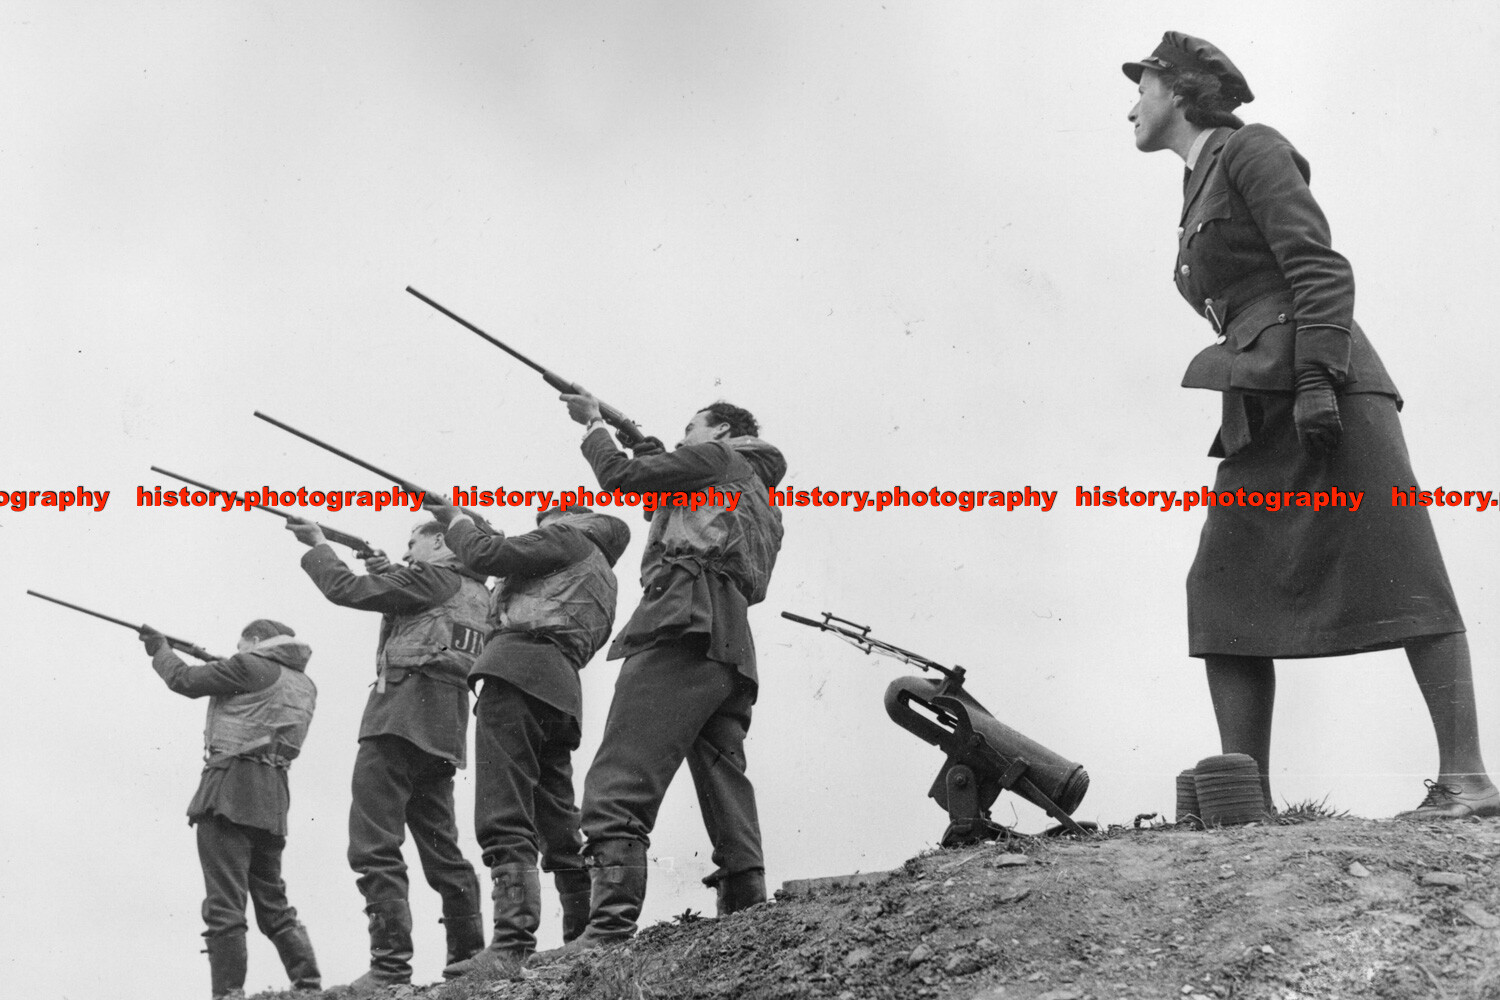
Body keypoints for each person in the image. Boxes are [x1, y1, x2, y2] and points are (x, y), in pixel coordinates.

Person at [1123, 31, 1497, 819]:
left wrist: (1320, 377)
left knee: (1404, 566)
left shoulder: (1251, 149)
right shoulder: (1195, 183)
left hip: (1325, 388)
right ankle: (1244, 801)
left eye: (1144, 85)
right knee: (1222, 583)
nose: (1133, 103)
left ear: (1183, 92)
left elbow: (1321, 267)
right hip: (1261, 398)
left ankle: (1466, 779)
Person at [546, 396, 786, 953]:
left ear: (721, 430)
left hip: (681, 618)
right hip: (730, 641)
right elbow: (674, 489)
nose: (684, 440)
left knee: (619, 775)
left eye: (691, 429)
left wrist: (596, 426)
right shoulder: (756, 485)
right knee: (722, 773)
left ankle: (607, 928)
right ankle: (746, 905)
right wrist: (649, 445)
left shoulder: (717, 457)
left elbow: (622, 479)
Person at [431, 502, 630, 978]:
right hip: (561, 684)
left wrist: (457, 522)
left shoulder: (563, 536)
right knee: (557, 816)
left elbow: (487, 555)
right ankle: (582, 933)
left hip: (516, 670)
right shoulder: (599, 564)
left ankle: (512, 942)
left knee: (504, 810)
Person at [288, 518, 488, 989]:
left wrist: (319, 546)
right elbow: (426, 614)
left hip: (398, 716)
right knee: (442, 848)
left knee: (374, 843)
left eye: (413, 541)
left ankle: (389, 967)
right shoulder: (477, 589)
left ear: (440, 541)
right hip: (445, 724)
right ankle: (468, 957)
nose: (408, 550)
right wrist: (393, 568)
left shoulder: (430, 577)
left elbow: (345, 589)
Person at [140, 618, 321, 1000]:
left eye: (241, 645)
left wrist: (160, 650)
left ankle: (228, 994)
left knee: (224, 903)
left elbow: (184, 681)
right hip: (273, 798)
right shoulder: (304, 684)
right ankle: (308, 986)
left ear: (255, 641)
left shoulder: (249, 666)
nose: (237, 651)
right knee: (273, 902)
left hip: (229, 791)